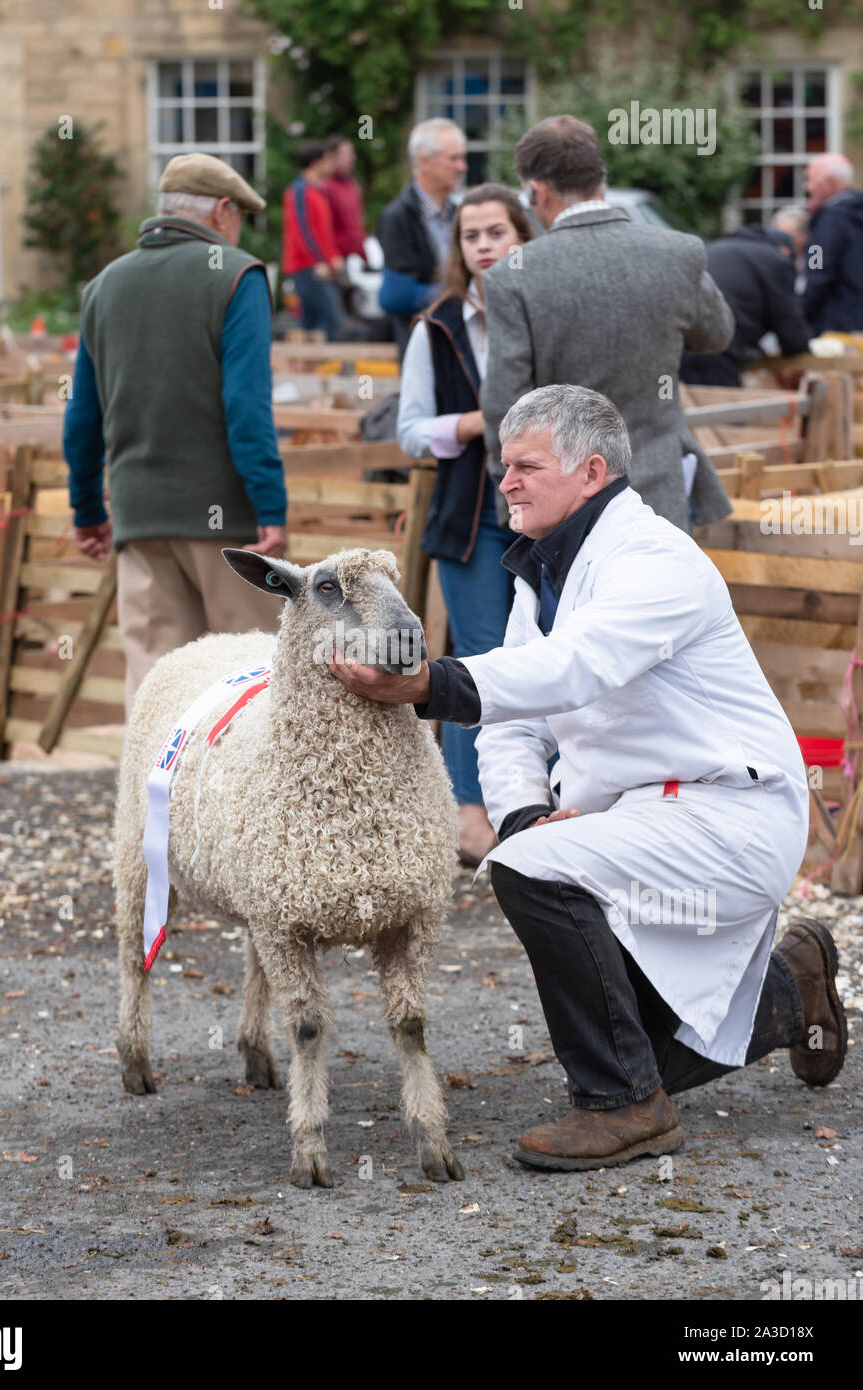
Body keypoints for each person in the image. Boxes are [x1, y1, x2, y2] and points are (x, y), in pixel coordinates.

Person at [330, 383, 845, 1172]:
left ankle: (622, 1106)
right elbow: (516, 718)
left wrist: (430, 684)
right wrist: (525, 815)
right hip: (648, 821)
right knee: (643, 1034)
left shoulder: (655, 558)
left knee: (534, 882)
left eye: (527, 466)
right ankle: (790, 987)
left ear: (592, 471)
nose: (505, 482)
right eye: (505, 466)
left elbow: (576, 666)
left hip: (730, 817)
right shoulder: (542, 574)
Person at [64, 153, 286, 713]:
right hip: (228, 524)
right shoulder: (238, 274)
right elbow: (246, 405)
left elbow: (82, 416)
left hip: (139, 518)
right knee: (248, 685)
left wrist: (88, 509)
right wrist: (270, 505)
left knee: (157, 694)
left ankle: (151, 804)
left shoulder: (103, 287)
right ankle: (238, 806)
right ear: (222, 210)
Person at [481, 114, 735, 534]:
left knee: (575, 603)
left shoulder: (513, 276)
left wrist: (510, 490)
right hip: (658, 489)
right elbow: (717, 335)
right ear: (601, 175)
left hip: (563, 502)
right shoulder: (677, 252)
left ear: (535, 189)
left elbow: (504, 404)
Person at [397, 183, 533, 864]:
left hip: (545, 517)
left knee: (544, 655)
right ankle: (469, 815)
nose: (483, 246)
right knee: (477, 660)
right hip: (471, 515)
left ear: (523, 237)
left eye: (496, 233)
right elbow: (411, 430)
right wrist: (480, 423)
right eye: (471, 236)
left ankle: (534, 806)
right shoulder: (439, 325)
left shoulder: (544, 310)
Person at [680, 207, 811, 386]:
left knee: (688, 409)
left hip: (679, 343)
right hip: (718, 348)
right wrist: (799, 355)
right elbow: (789, 325)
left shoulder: (717, 247)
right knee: (721, 411)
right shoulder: (776, 260)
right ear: (786, 251)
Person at [377, 118, 467, 356]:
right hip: (421, 344)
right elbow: (396, 297)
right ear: (424, 162)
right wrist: (462, 293)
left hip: (457, 340)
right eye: (454, 158)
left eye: (462, 158)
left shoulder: (459, 212)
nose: (462, 166)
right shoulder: (397, 216)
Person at [282, 140, 346, 341]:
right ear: (316, 162)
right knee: (332, 321)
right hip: (308, 267)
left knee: (311, 323)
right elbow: (304, 231)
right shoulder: (300, 190)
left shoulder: (317, 190)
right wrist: (323, 261)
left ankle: (307, 369)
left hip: (316, 266)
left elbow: (322, 232)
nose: (331, 165)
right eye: (327, 160)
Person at [803, 152, 863, 334]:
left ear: (829, 182)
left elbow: (817, 269)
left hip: (837, 326)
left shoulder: (828, 220)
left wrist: (801, 311)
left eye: (810, 179)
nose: (807, 187)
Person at [321, 135, 368, 262]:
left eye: (352, 154)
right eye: (347, 154)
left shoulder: (352, 184)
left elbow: (358, 223)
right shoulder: (325, 186)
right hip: (337, 260)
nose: (352, 158)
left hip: (356, 259)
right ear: (332, 157)